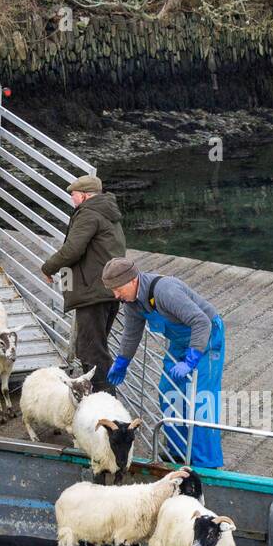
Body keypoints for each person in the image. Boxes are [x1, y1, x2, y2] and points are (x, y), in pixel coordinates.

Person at [101, 257, 225, 468]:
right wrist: (122, 361)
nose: (116, 295)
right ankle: (177, 452)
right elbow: (131, 335)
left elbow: (201, 321)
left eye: (118, 289)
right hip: (179, 340)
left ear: (132, 281)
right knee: (169, 393)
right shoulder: (131, 302)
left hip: (207, 339)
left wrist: (192, 359)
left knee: (201, 400)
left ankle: (207, 462)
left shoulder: (165, 291)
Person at [40, 175, 125, 395]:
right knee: (93, 347)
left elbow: (73, 249)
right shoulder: (108, 213)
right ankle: (98, 398)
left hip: (93, 292)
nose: (72, 199)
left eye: (74, 195)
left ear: (85, 195)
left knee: (91, 350)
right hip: (108, 291)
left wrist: (48, 267)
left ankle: (106, 403)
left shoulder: (88, 213)